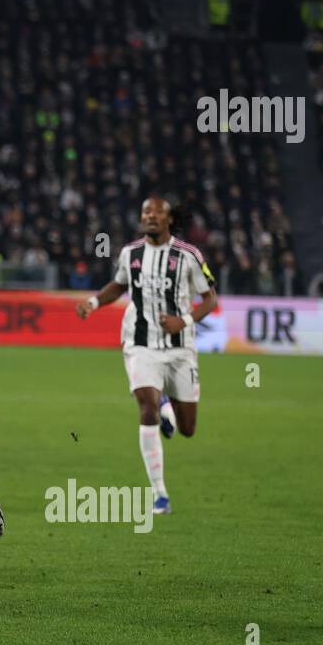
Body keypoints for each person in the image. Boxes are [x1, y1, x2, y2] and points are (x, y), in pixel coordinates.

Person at [76, 196, 219, 515]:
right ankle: (160, 494)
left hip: (180, 348)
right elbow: (118, 286)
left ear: (169, 219)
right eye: (145, 212)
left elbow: (210, 299)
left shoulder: (189, 256)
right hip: (140, 342)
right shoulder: (131, 253)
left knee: (188, 429)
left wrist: (183, 320)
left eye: (157, 212)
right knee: (146, 406)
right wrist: (93, 303)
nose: (151, 216)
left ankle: (166, 402)